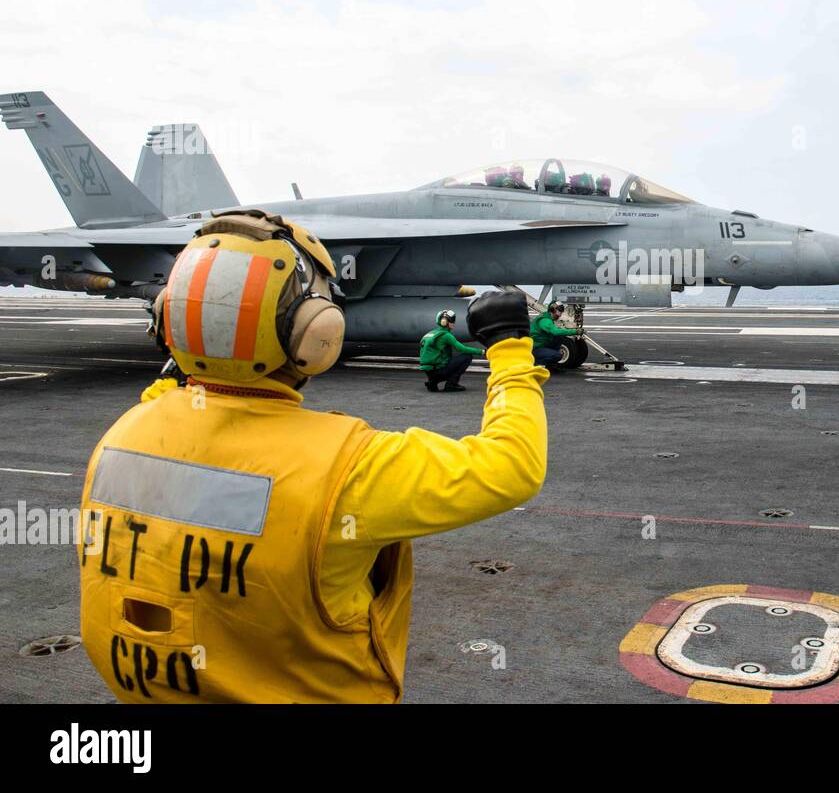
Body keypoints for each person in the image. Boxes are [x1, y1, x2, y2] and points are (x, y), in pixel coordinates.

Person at [78, 210, 546, 703]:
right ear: (312, 330)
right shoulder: (348, 466)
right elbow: (512, 467)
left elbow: (171, 402)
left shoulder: (124, 434)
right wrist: (510, 347)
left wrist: (197, 354)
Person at [419, 309, 483, 391]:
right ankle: (451, 384)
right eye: (452, 320)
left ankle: (433, 381)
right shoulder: (446, 335)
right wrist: (482, 351)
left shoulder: (430, 333)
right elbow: (463, 349)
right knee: (467, 356)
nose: (454, 323)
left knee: (450, 359)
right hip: (439, 370)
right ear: (444, 322)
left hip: (429, 372)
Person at [530, 300, 581, 369]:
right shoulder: (545, 320)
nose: (561, 313)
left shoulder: (548, 317)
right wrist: (575, 331)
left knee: (558, 337)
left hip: (540, 345)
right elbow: (555, 332)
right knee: (558, 355)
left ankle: (551, 365)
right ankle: (537, 363)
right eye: (560, 310)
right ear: (552, 310)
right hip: (534, 349)